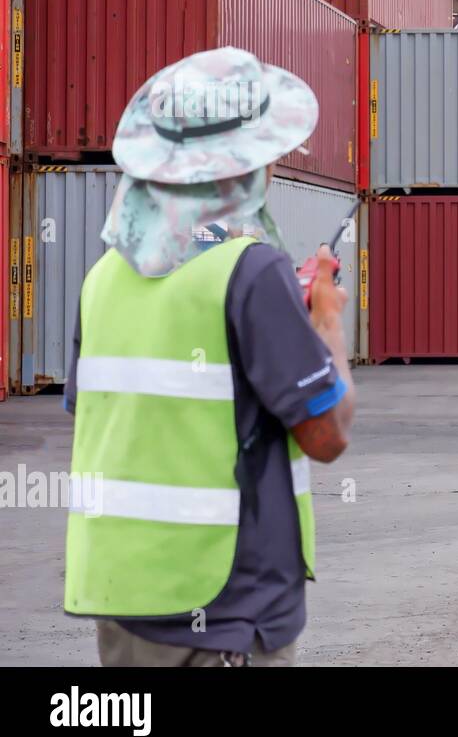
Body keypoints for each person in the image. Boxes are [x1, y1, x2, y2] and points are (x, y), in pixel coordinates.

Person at [62, 47, 355, 667]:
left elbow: (128, 419)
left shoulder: (102, 277)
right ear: (242, 167)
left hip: (121, 602)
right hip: (224, 612)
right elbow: (327, 434)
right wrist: (324, 321)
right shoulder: (251, 273)